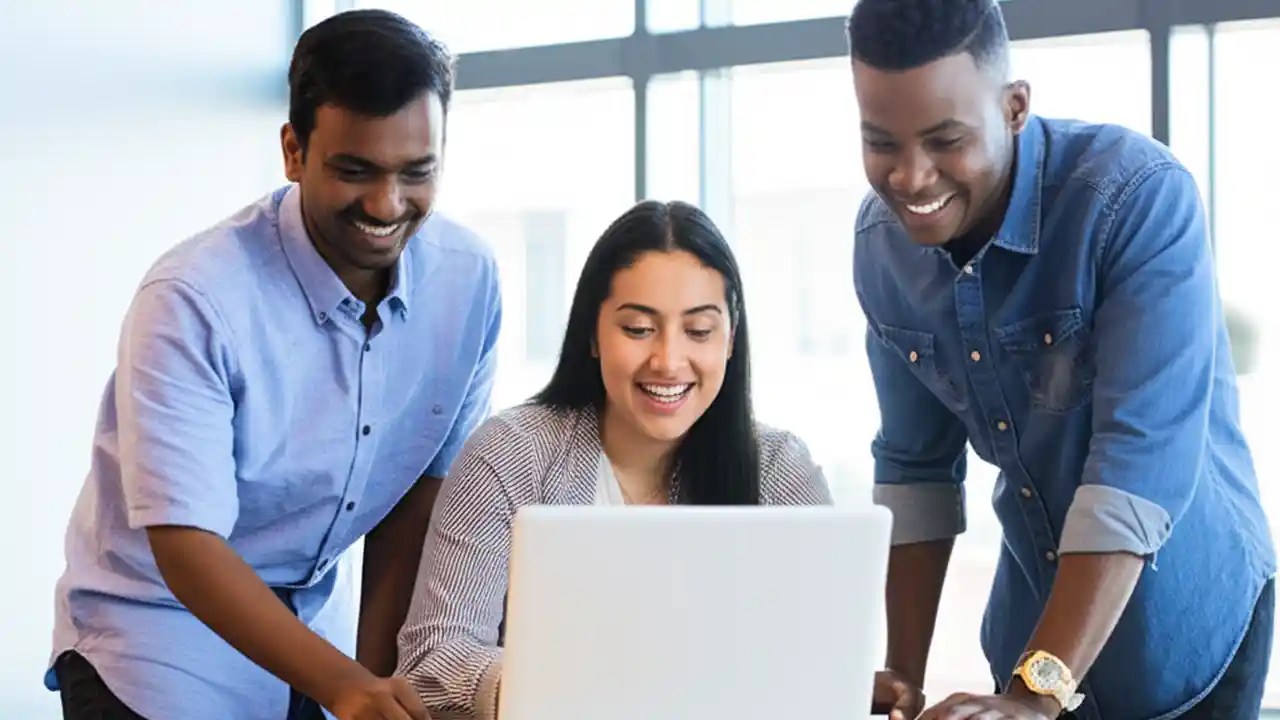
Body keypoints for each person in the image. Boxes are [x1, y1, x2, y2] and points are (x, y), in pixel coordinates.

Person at [45, 10, 500, 720]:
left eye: (417, 172)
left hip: (310, 642)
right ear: (293, 151)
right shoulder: (194, 298)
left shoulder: (469, 282)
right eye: (355, 171)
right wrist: (345, 686)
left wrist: (370, 680)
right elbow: (185, 541)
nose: (387, 204)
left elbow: (415, 506)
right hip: (156, 640)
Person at [846, 1, 1276, 719]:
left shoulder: (1137, 198)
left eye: (945, 140)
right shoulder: (883, 248)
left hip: (1187, 634)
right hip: (1030, 627)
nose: (911, 178)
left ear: (1014, 108)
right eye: (880, 143)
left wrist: (1036, 696)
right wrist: (901, 676)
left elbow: (1136, 469)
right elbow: (915, 469)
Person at [391, 199, 834, 719]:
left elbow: (824, 658)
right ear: (593, 335)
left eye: (698, 331)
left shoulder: (779, 468)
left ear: (730, 339)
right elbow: (430, 663)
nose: (668, 362)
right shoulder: (512, 452)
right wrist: (552, 688)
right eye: (638, 329)